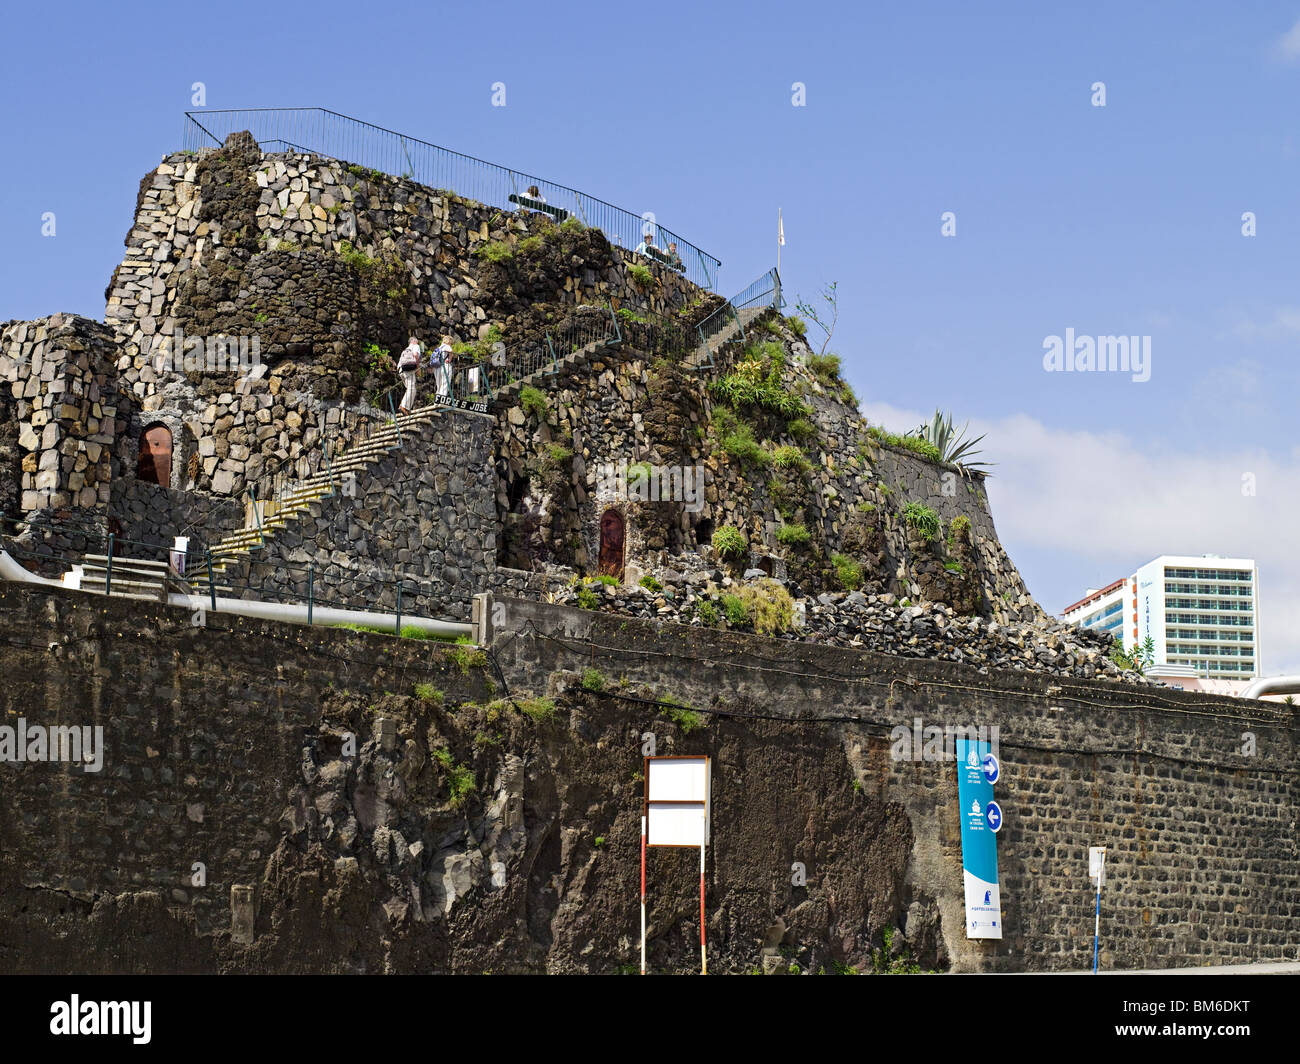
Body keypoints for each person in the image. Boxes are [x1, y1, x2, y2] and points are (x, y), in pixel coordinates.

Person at [397, 336, 421, 413]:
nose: (418, 343)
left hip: (402, 370)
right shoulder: (416, 346)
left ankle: (407, 408)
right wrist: (418, 368)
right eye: (417, 341)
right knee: (411, 388)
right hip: (409, 370)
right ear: (413, 341)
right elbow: (415, 355)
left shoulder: (405, 349)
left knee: (411, 389)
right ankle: (403, 406)